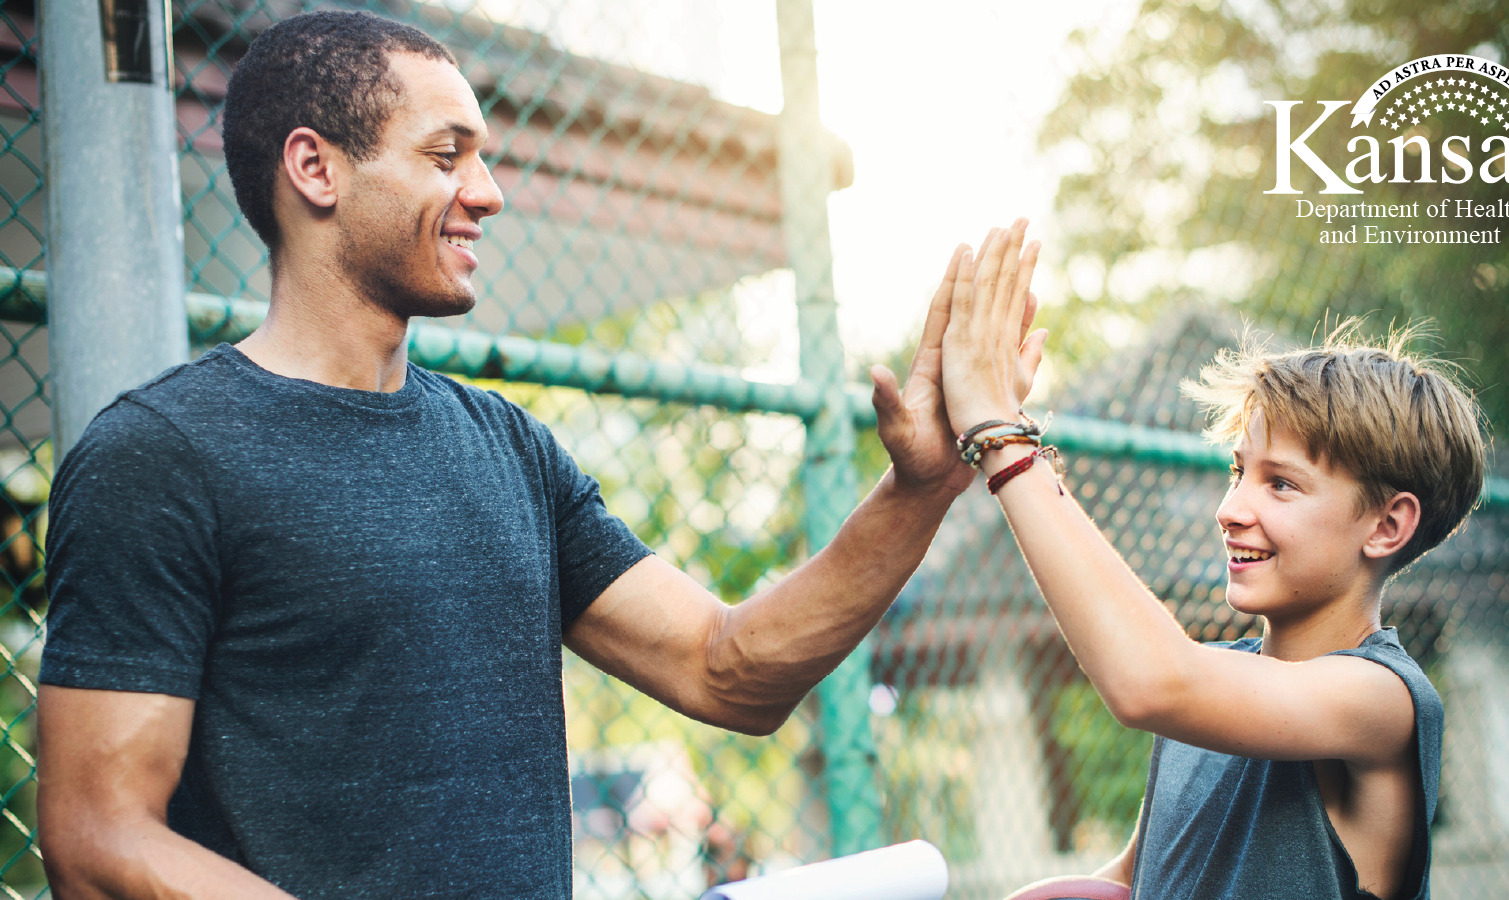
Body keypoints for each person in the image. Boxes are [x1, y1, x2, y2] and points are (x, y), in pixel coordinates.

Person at [34, 12, 1043, 899]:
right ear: (316, 169)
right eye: (445, 156)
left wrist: (922, 487)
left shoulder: (508, 448)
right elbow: (99, 841)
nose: (488, 193)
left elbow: (727, 671)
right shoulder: (160, 457)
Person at [946, 223, 1483, 900]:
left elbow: (1154, 682)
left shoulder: (1380, 700)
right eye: (1238, 472)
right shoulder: (1207, 695)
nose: (1230, 508)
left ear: (1388, 525)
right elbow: (1133, 884)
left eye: (1280, 484)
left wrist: (1000, 432)